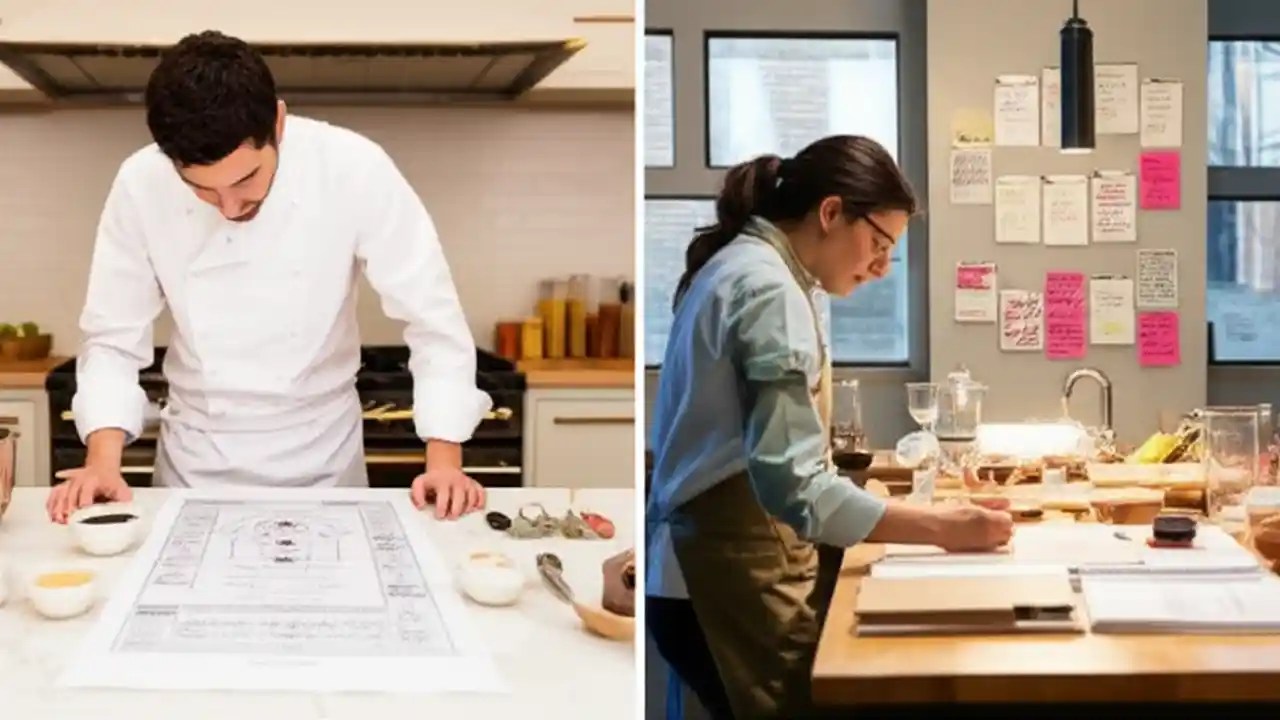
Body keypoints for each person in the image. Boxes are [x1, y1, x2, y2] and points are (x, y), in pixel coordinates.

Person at [46, 31, 491, 523]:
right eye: (204, 191)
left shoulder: (353, 167)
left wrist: (445, 461)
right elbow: (112, 338)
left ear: (277, 122)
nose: (231, 207)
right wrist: (102, 462)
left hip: (325, 466)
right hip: (195, 470)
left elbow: (433, 321)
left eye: (246, 181)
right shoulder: (140, 183)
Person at [645, 135, 1014, 719]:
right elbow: (792, 485)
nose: (881, 267)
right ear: (831, 212)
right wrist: (944, 527)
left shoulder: (749, 267)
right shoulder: (767, 289)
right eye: (878, 243)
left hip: (705, 574)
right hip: (722, 584)